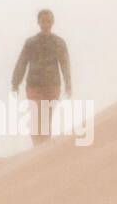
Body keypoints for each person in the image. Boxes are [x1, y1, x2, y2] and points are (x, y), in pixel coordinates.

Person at [10, 9, 72, 147]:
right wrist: (15, 83)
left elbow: (65, 64)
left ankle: (44, 150)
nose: (46, 24)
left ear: (53, 22)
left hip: (53, 86)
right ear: (38, 22)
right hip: (34, 86)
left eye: (48, 21)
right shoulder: (31, 42)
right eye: (43, 21)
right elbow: (22, 62)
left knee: (47, 119)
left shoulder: (59, 42)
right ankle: (38, 148)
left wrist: (68, 84)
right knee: (37, 117)